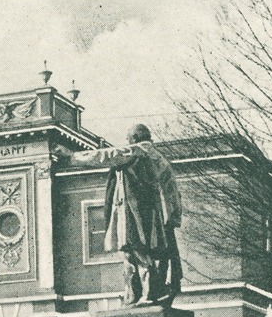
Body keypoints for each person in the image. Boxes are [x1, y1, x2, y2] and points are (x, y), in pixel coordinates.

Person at [54, 124, 182, 306]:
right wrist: (174, 217)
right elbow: (172, 192)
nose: (127, 140)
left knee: (136, 250)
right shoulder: (160, 159)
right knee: (132, 252)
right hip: (153, 214)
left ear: (135, 138)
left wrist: (71, 156)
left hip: (133, 211)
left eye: (128, 137)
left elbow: (104, 156)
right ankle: (133, 295)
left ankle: (149, 293)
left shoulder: (135, 151)